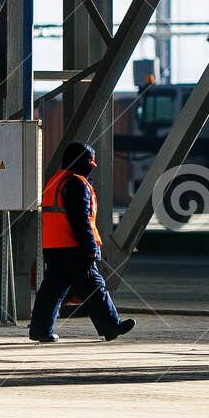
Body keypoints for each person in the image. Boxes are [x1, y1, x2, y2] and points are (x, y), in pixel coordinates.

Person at [28, 142, 134, 344]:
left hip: (53, 247)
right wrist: (90, 248)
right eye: (89, 163)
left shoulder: (55, 180)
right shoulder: (76, 183)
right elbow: (80, 220)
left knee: (52, 291)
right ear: (82, 162)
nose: (92, 167)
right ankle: (111, 326)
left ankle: (40, 330)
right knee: (95, 287)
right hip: (73, 248)